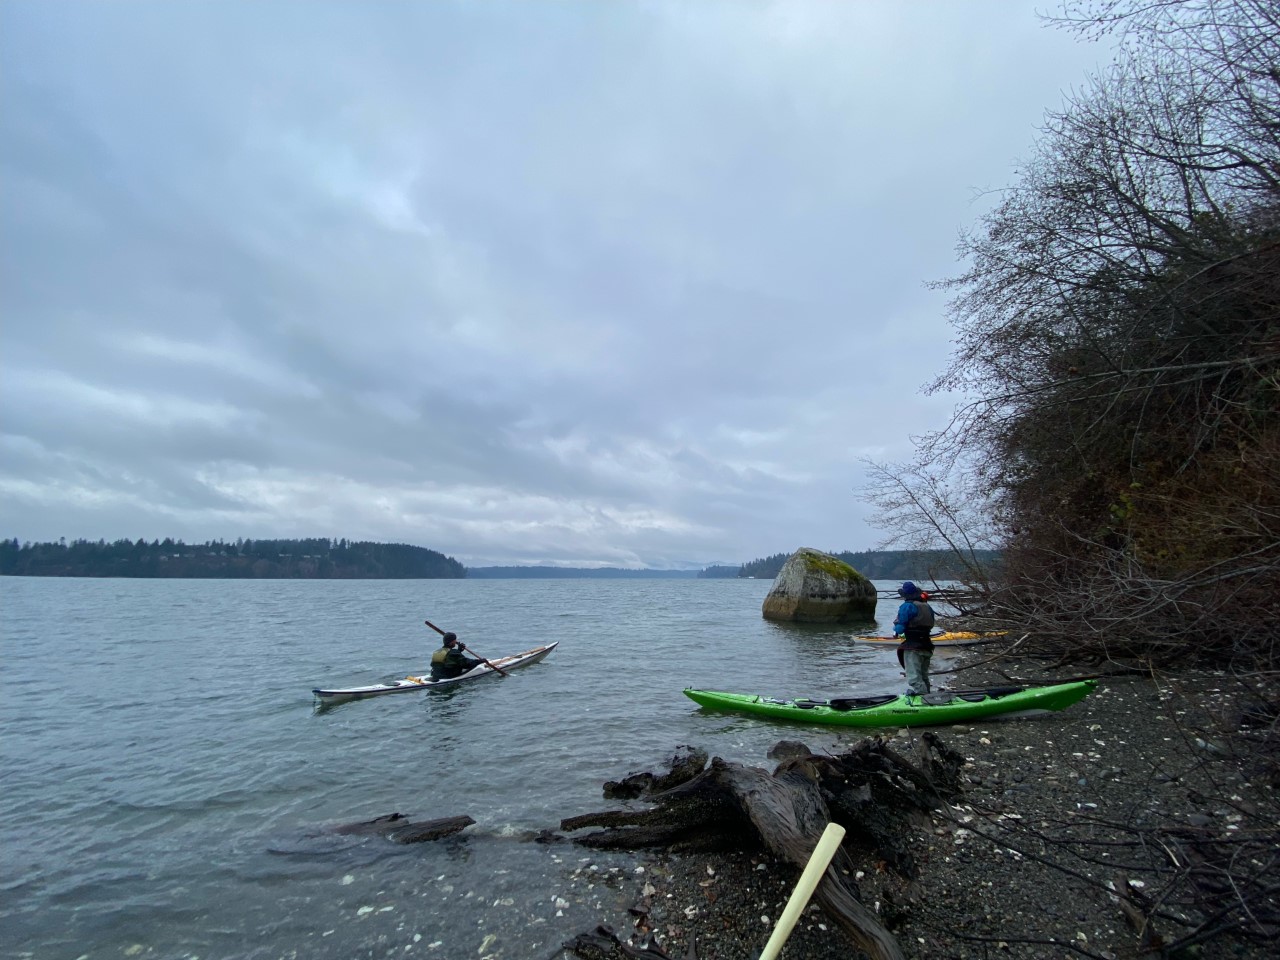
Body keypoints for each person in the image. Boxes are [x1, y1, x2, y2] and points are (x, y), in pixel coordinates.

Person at [892, 581, 936, 697]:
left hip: (913, 647)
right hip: (927, 646)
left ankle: (923, 699)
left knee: (913, 678)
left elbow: (900, 629)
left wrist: (896, 627)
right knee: (923, 676)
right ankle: (928, 696)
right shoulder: (927, 606)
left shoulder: (907, 606)